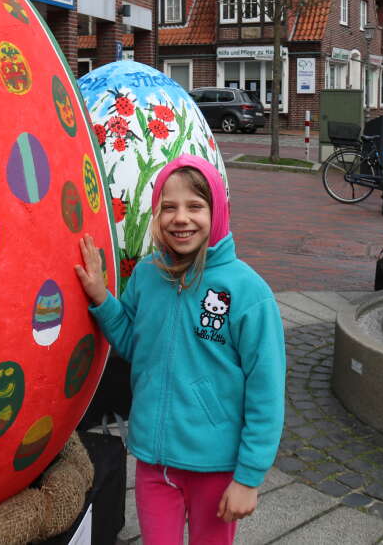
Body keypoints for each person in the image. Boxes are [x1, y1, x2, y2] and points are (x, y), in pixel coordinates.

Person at [75, 154, 285, 544]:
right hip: (154, 464)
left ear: (217, 212)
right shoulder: (147, 274)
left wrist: (249, 477)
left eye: (195, 206)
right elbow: (134, 344)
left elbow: (266, 392)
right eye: (168, 207)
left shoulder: (247, 292)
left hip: (216, 468)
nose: (181, 218)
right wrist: (102, 298)